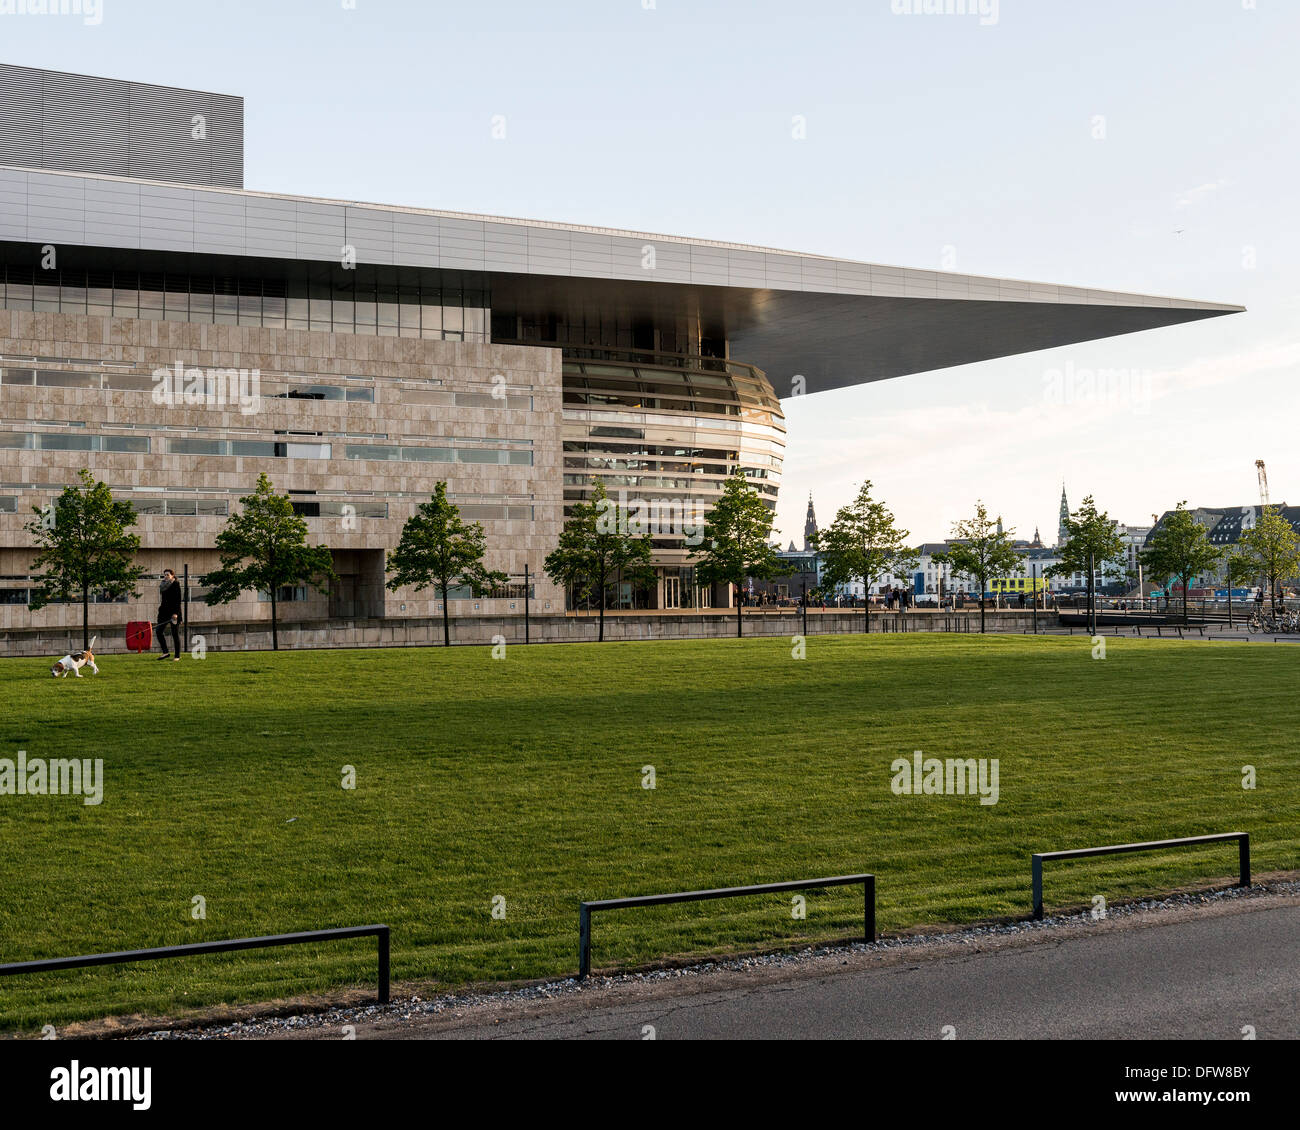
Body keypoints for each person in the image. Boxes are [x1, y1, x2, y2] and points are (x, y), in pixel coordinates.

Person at [156, 568, 182, 661]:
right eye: (164, 575)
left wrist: (175, 613)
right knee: (158, 631)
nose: (166, 576)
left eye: (167, 575)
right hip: (163, 612)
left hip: (174, 613)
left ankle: (177, 656)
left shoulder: (175, 584)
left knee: (175, 634)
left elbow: (178, 600)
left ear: (172, 576)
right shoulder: (163, 585)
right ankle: (165, 652)